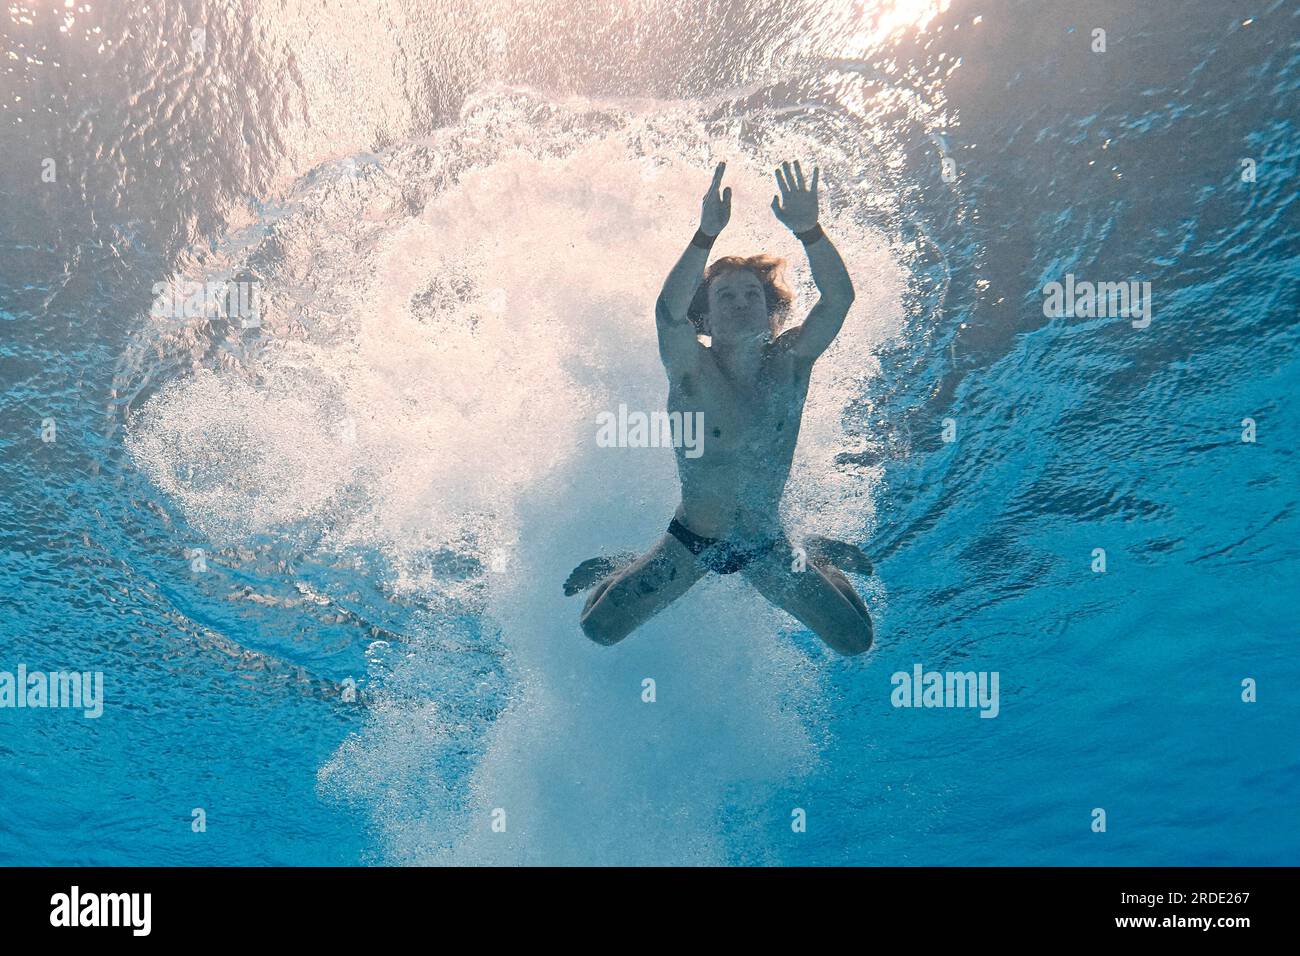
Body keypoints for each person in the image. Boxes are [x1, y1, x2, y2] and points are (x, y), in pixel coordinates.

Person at [566, 159, 874, 656]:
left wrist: (810, 231)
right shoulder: (691, 368)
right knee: (598, 629)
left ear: (770, 308)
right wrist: (706, 234)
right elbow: (667, 312)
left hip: (766, 547)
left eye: (751, 293)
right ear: (705, 315)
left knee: (857, 640)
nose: (739, 302)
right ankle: (621, 564)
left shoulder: (792, 361)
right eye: (724, 294)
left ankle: (815, 555)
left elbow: (838, 300)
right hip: (691, 543)